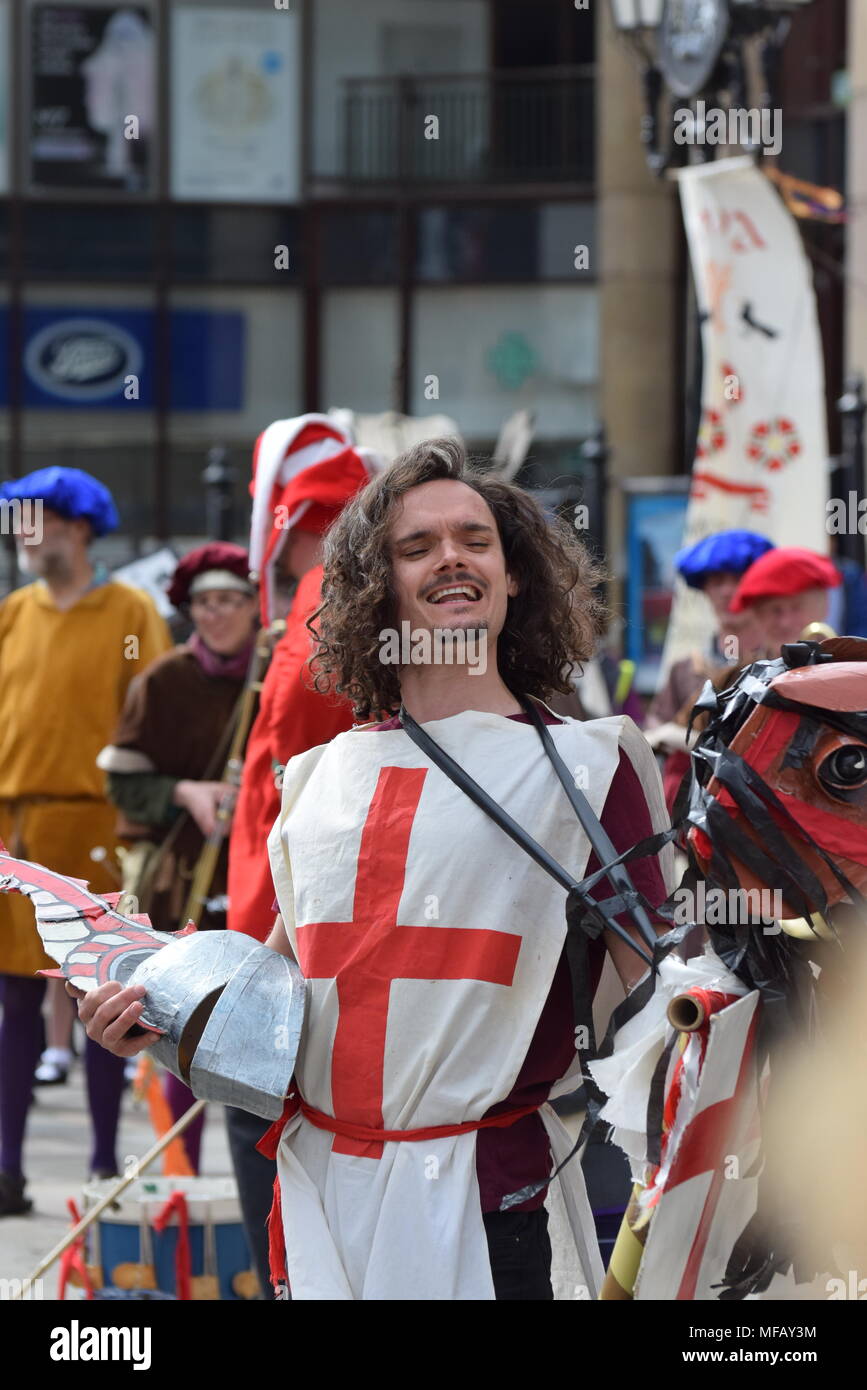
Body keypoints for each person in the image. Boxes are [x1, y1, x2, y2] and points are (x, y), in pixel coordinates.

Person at [77, 438, 675, 1301]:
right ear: (374, 587)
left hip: (485, 1197)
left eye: (476, 540)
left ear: (514, 579)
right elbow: (281, 1010)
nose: (451, 560)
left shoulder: (586, 770)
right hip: (320, 1201)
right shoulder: (320, 777)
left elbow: (660, 1000)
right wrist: (157, 1024)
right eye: (415, 546)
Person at [224, 415, 384, 1292]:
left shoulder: (323, 598)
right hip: (280, 914)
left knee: (269, 1141)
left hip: (287, 929)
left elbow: (315, 782)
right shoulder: (327, 598)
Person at [0, 466, 171, 1216]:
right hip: (17, 829)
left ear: (74, 525)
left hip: (101, 829)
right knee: (12, 1008)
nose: (20, 535)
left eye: (31, 519)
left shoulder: (131, 610)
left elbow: (160, 722)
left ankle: (106, 1169)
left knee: (106, 995)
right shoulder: (11, 614)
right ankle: (6, 1169)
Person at [96, 543, 259, 1173]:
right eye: (203, 603)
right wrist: (183, 794)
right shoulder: (160, 679)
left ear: (251, 608)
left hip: (255, 878)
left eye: (229, 601)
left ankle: (256, 1178)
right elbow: (122, 781)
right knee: (180, 1026)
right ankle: (182, 1176)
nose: (215, 615)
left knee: (249, 1022)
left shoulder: (274, 678)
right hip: (183, 881)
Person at [646, 529, 773, 812]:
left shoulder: (780, 663)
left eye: (738, 578)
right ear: (704, 588)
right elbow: (654, 740)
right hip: (694, 821)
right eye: (717, 580)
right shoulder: (685, 669)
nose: (727, 590)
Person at [729, 545, 842, 651]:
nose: (785, 623)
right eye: (775, 610)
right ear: (757, 616)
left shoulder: (847, 668)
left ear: (823, 607)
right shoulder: (747, 671)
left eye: (796, 608)